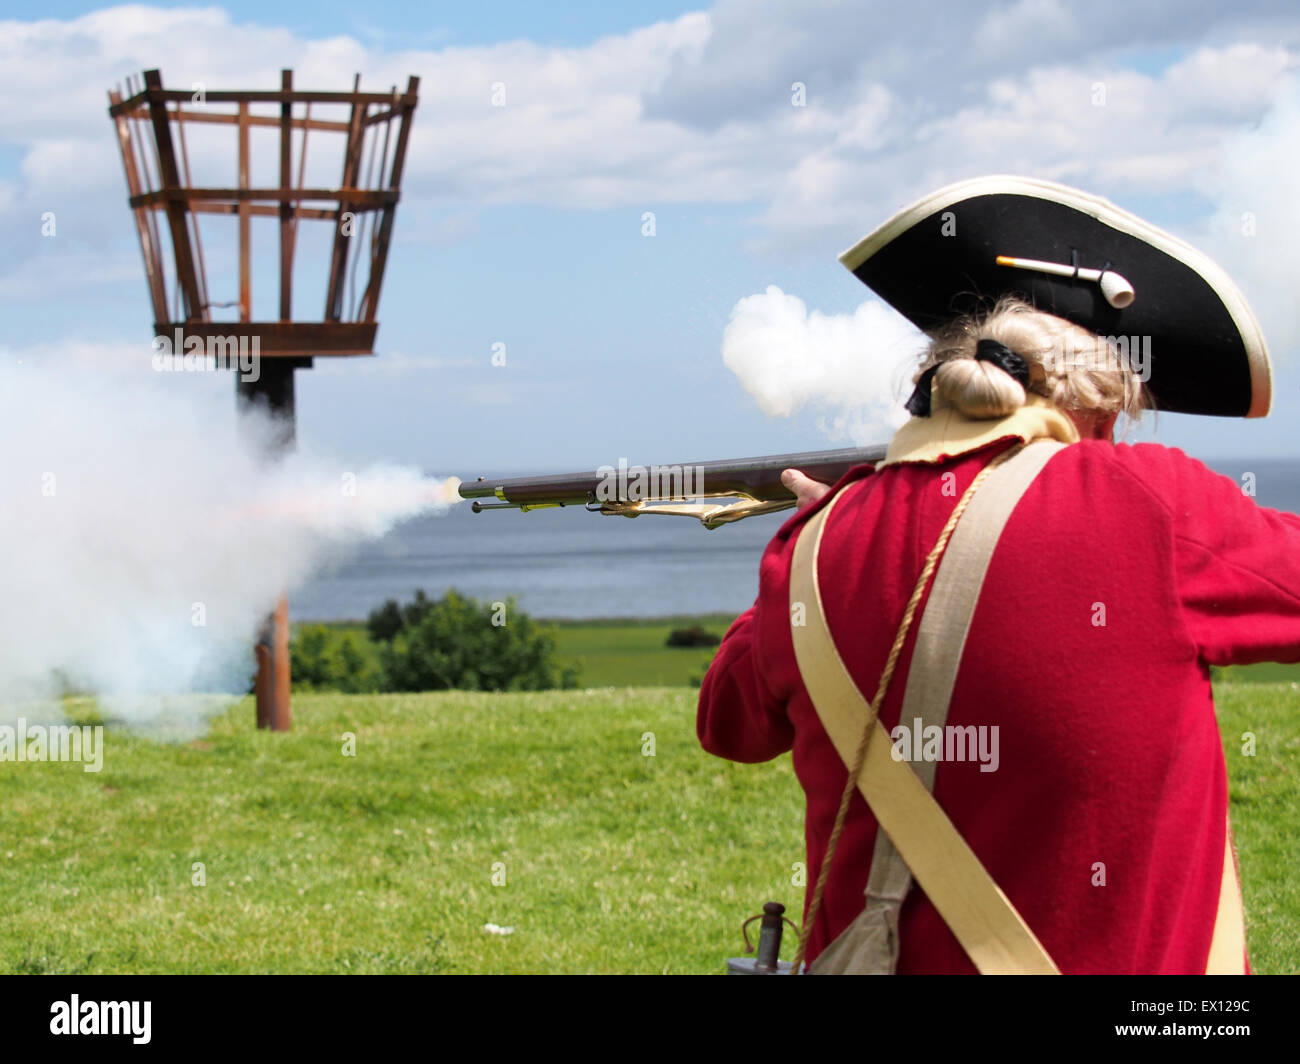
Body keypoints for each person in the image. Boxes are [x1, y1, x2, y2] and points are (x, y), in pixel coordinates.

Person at [696, 176, 1300, 974]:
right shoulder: (1151, 503)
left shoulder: (811, 546)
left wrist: (808, 540)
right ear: (1103, 412)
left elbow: (728, 724)